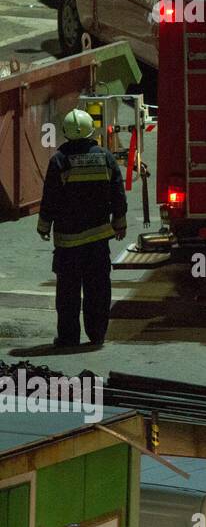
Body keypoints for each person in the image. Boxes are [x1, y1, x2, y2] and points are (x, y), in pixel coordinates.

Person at [36, 109, 127, 348]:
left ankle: (68, 338)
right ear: (91, 130)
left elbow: (50, 198)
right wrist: (119, 222)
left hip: (68, 243)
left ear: (65, 133)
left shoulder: (59, 160)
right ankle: (97, 335)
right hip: (97, 241)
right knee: (98, 290)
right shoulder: (106, 158)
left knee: (67, 293)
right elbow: (118, 193)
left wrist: (44, 226)